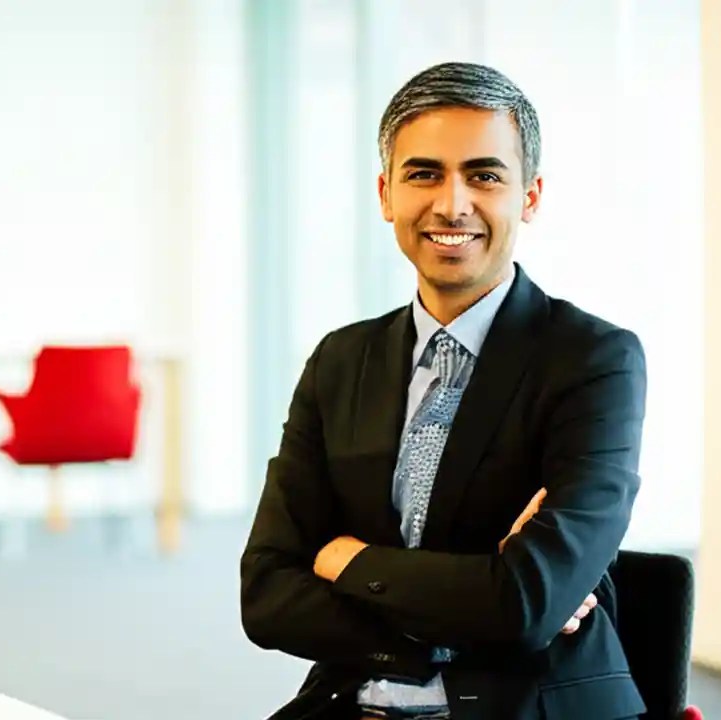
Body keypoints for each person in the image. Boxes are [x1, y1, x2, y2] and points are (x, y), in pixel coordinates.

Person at [239, 61, 647, 720]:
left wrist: (348, 560)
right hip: (354, 701)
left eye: (484, 175)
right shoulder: (341, 360)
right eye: (423, 173)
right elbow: (265, 596)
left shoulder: (594, 360)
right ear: (385, 194)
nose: (452, 203)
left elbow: (525, 605)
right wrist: (465, 609)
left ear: (531, 197)